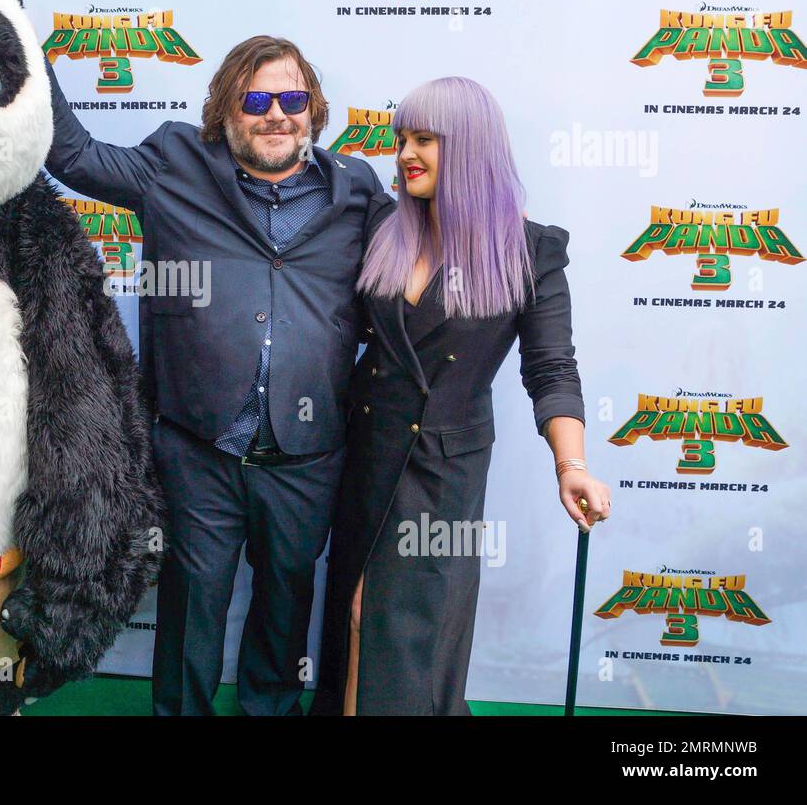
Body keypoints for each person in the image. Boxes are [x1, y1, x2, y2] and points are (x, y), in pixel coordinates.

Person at [40, 35, 384, 715]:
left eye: (292, 100)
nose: (276, 115)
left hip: (308, 455)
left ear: (313, 109)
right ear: (226, 109)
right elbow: (72, 156)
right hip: (199, 448)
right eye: (257, 100)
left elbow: (421, 261)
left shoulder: (358, 189)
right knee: (193, 607)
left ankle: (271, 710)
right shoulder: (174, 164)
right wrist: (16, 39)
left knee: (287, 608)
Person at [311, 75, 611, 716]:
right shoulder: (385, 227)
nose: (404, 154)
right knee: (354, 612)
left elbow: (552, 369)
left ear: (470, 149)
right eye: (401, 140)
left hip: (442, 470)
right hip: (366, 450)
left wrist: (572, 465)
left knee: (407, 627)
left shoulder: (530, 253)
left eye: (424, 140)